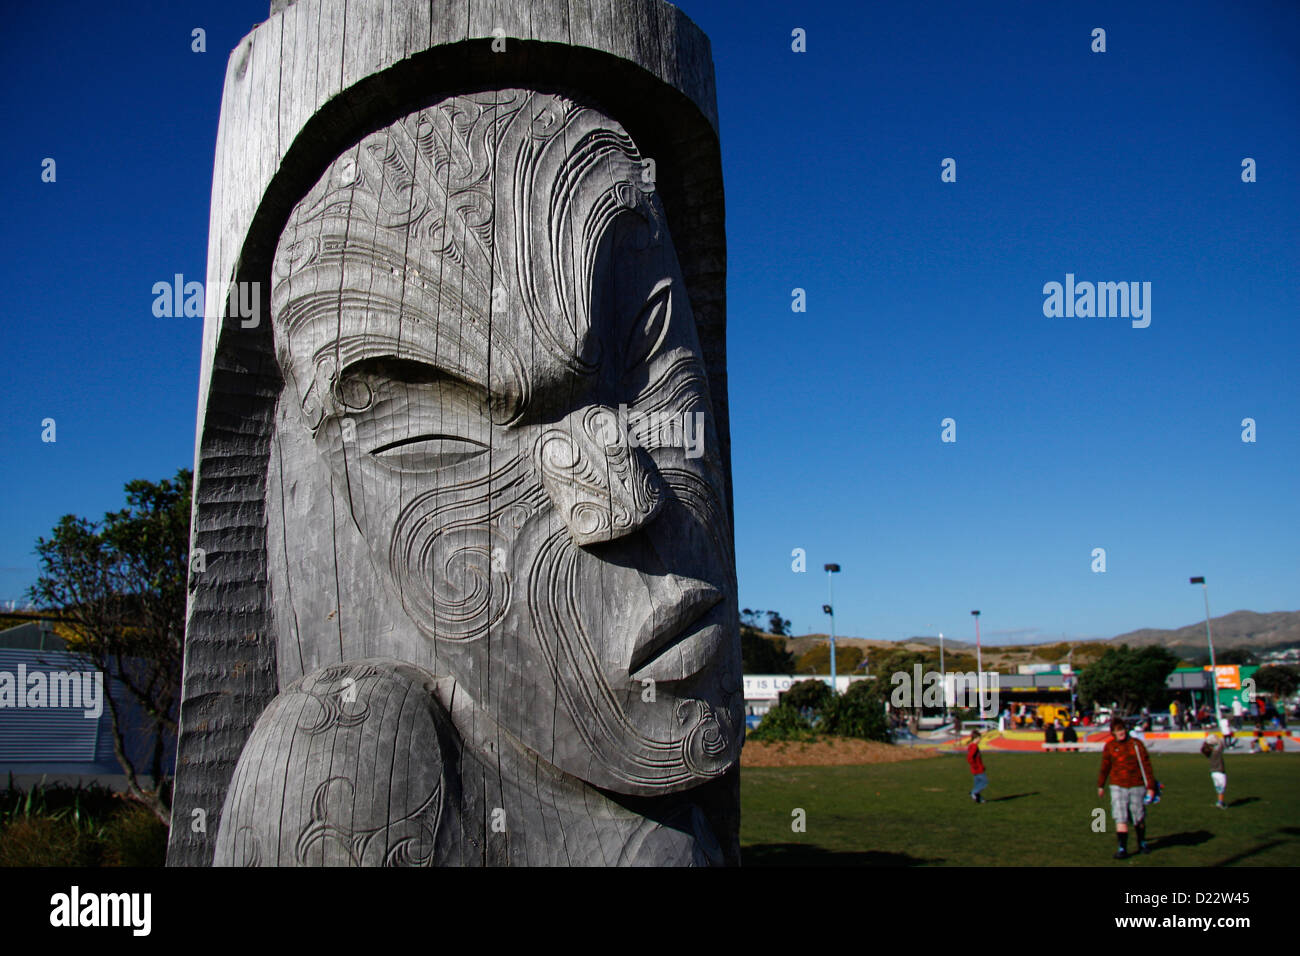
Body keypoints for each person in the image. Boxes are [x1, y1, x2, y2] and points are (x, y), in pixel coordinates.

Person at [1097, 717, 1156, 859]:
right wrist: (1101, 785)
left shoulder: (1136, 744)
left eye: (1122, 729)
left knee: (1138, 817)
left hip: (1136, 784)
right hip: (1118, 785)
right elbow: (1105, 766)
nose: (1121, 733)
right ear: (1113, 732)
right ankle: (1122, 848)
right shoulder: (1110, 746)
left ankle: (1141, 843)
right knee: (1120, 817)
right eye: (1118, 730)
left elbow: (1146, 766)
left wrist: (1151, 786)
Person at [1201, 732, 1227, 809]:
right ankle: (1220, 803)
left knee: (1218, 788)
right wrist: (1218, 739)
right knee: (1221, 789)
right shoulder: (1216, 753)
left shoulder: (1208, 753)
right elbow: (1222, 746)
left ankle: (1219, 801)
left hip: (1213, 773)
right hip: (1220, 772)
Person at [967, 730, 989, 803]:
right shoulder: (974, 747)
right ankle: (974, 792)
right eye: (979, 738)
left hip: (975, 769)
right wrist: (975, 765)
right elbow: (970, 758)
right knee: (984, 782)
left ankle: (979, 799)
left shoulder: (971, 746)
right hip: (978, 769)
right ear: (976, 738)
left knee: (977, 784)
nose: (980, 740)